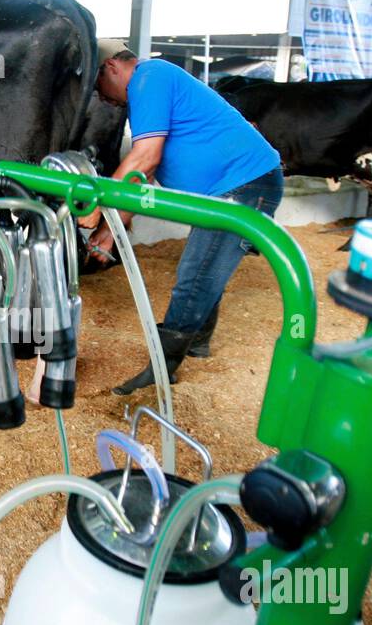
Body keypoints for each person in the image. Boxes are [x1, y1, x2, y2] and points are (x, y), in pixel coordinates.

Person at [80, 39, 284, 395]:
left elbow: (145, 158)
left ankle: (163, 368)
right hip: (235, 185)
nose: (101, 96)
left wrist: (97, 204)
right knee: (206, 265)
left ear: (111, 67)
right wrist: (111, 231)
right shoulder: (149, 90)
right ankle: (199, 344)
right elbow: (140, 177)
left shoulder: (148, 77)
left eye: (97, 85)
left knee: (195, 274)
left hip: (246, 184)